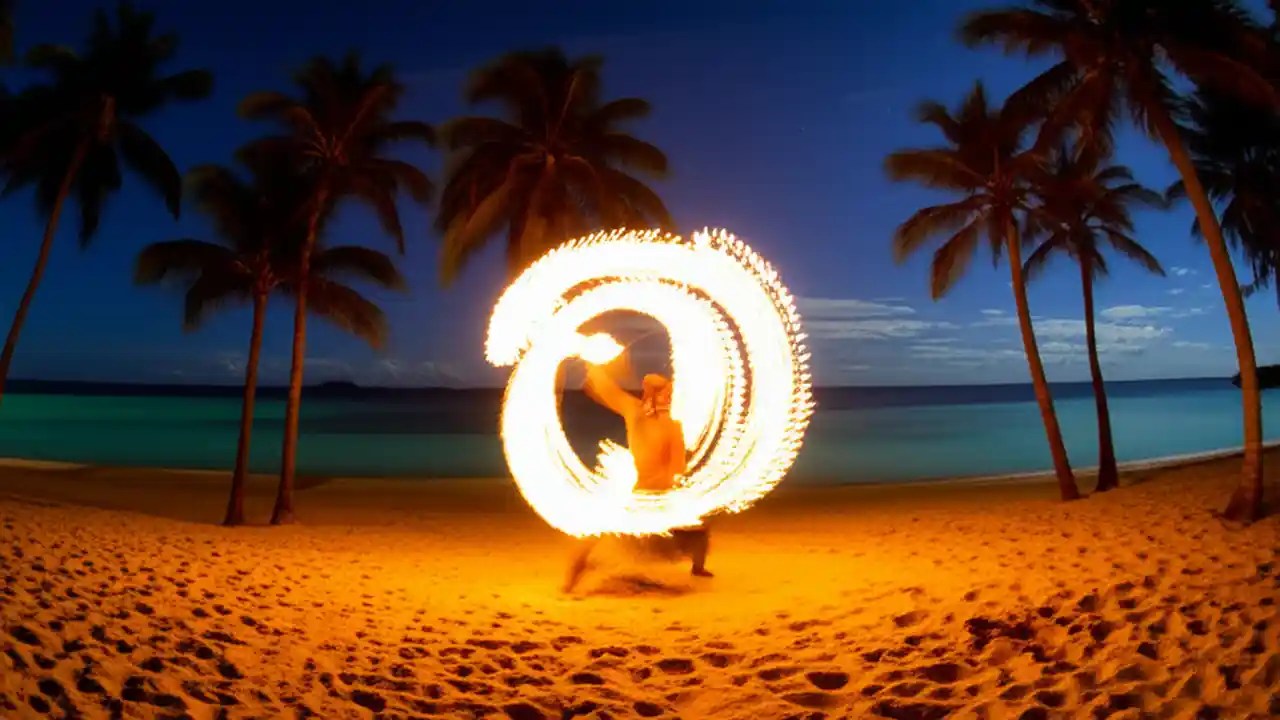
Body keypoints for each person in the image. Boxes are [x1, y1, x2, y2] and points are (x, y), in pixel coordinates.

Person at [562, 361, 712, 592]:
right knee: (599, 532)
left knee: (700, 527)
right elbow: (678, 467)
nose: (669, 399)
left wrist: (595, 367)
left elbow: (606, 391)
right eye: (666, 395)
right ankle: (572, 578)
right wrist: (596, 366)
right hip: (648, 494)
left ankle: (697, 567)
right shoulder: (656, 420)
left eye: (669, 395)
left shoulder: (653, 418)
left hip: (655, 494)